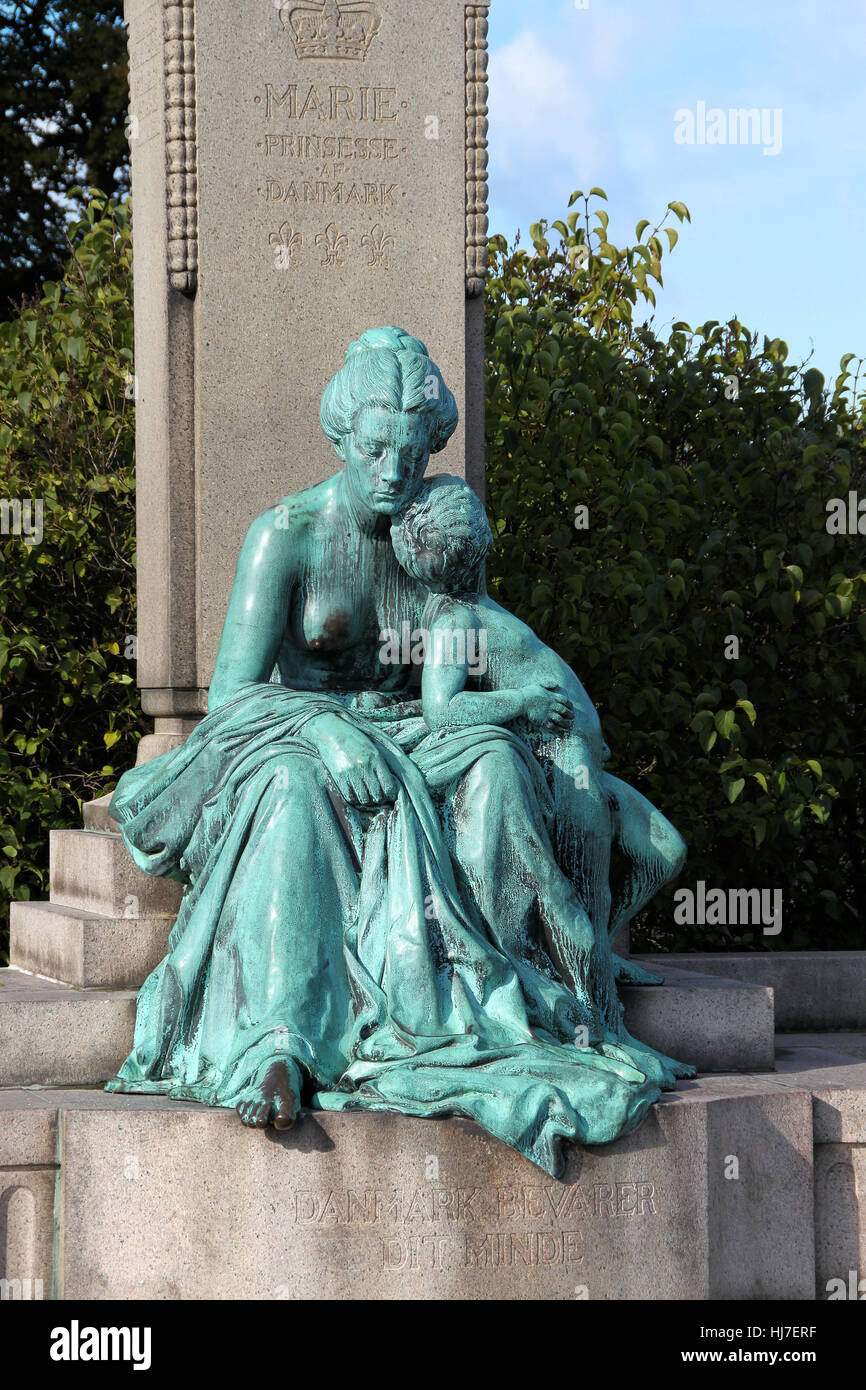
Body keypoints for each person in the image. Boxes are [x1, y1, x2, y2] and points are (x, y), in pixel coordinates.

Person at [105, 328, 690, 1178]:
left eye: (410, 454)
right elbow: (230, 695)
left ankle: (498, 1002)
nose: (392, 471)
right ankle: (282, 1042)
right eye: (376, 450)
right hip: (292, 733)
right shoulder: (288, 535)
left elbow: (474, 656)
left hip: (417, 728)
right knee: (293, 792)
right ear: (343, 440)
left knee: (493, 761)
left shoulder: (433, 534)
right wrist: (326, 730)